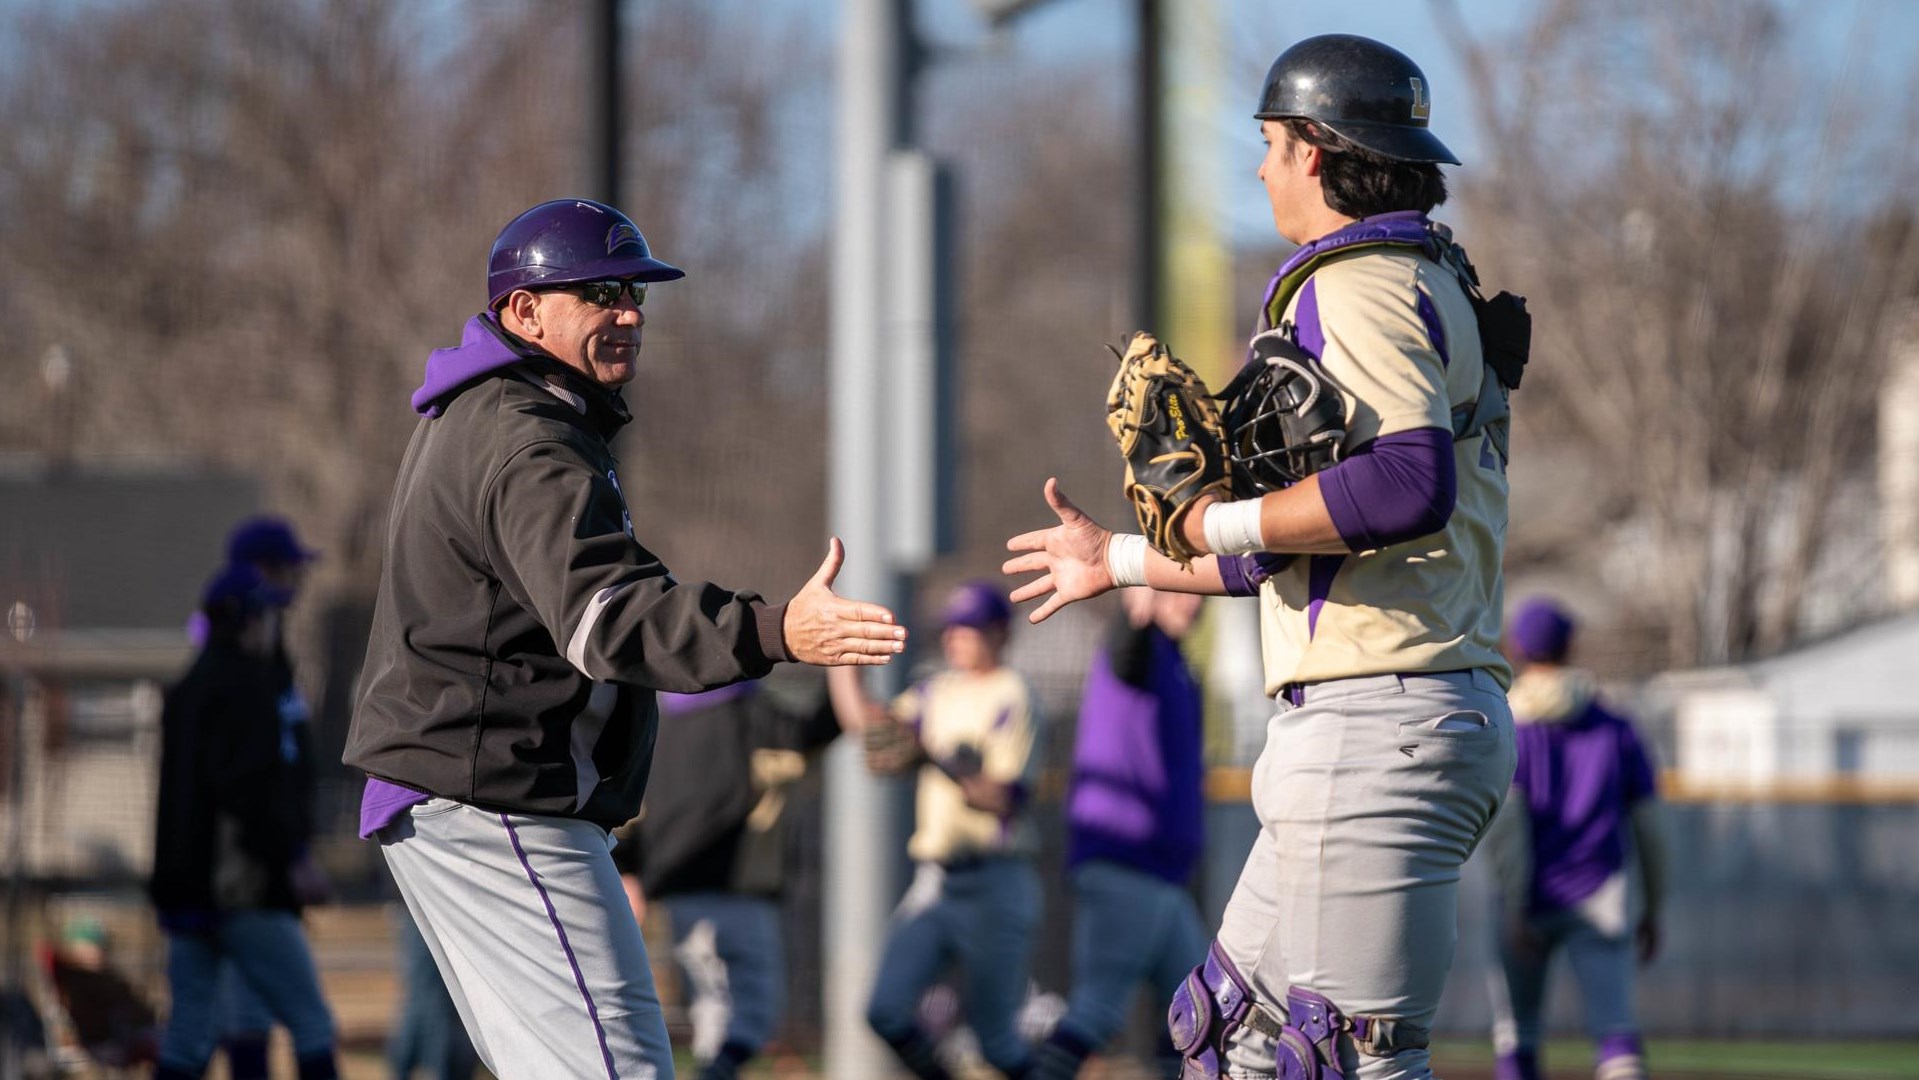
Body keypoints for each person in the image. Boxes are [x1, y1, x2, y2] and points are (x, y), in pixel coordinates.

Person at [1005, 33, 1518, 1080]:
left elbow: (1404, 486)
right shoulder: (1412, 274)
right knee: (1224, 1035)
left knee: (1343, 1062)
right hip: (1374, 716)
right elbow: (1279, 554)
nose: (1259, 167)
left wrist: (1207, 522)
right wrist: (1119, 561)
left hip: (1382, 720)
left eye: (1271, 145)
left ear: (1317, 155)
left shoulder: (1361, 281)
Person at [343, 198, 904, 1079]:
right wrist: (775, 630)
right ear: (524, 312)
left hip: (464, 791)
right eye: (601, 291)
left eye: (637, 292)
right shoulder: (524, 438)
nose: (630, 312)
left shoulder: (496, 416)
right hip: (497, 796)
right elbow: (610, 619)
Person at [826, 581, 1045, 1080]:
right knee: (883, 1010)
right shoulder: (935, 690)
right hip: (935, 882)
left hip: (997, 882)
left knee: (998, 1043)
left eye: (969, 629)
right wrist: (841, 662)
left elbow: (1002, 798)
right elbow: (871, 730)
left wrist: (936, 758)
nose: (956, 639)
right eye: (952, 629)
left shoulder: (1014, 693)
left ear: (998, 634)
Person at [150, 565, 340, 1080]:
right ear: (250, 622)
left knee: (188, 1033)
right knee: (312, 1020)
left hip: (187, 892)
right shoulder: (251, 686)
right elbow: (250, 792)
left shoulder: (186, 688)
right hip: (247, 887)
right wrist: (293, 859)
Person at [612, 679, 840, 1079]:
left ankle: (711, 1070)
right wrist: (846, 674)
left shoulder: (659, 721)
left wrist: (629, 871)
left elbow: (631, 814)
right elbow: (818, 728)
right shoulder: (752, 715)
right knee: (753, 1014)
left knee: (712, 1009)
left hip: (678, 893)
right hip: (741, 891)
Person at [1482, 598, 1666, 1080]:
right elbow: (1649, 827)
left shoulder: (1508, 726)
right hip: (1603, 892)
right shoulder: (1614, 726)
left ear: (1517, 648)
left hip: (1527, 895)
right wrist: (1654, 906)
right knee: (1617, 1036)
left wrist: (1517, 904)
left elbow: (1507, 828)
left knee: (1518, 1039)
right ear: (1571, 645)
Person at [1030, 588, 1208, 1079]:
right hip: (1124, 861)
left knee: (1199, 1010)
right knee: (1098, 1011)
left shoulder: (1175, 659)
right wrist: (1139, 596)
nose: (1191, 603)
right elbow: (1127, 645)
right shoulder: (1139, 648)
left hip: (1160, 872)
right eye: (1178, 592)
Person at [217, 515, 324, 1080]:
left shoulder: (276, 651)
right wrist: (294, 857)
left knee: (242, 1014)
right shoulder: (239, 651)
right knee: (308, 1021)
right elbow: (255, 776)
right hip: (250, 871)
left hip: (259, 869)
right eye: (288, 568)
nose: (298, 581)